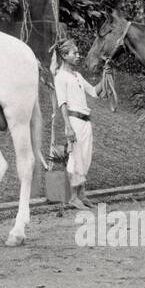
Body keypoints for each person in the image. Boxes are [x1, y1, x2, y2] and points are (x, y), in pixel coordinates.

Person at [52, 37, 103, 210]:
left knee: (85, 158)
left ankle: (82, 195)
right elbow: (62, 104)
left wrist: (107, 76)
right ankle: (73, 197)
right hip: (74, 121)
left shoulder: (78, 76)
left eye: (78, 52)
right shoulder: (60, 77)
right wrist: (68, 127)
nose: (78, 55)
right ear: (65, 56)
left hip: (86, 122)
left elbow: (95, 92)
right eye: (75, 53)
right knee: (75, 158)